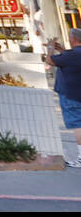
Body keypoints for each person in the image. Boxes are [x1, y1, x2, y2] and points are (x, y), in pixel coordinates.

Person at [46, 28, 81, 169]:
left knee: (78, 126)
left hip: (71, 96)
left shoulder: (72, 55)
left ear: (72, 40)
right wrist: (62, 51)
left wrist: (50, 47)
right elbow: (72, 58)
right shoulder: (72, 54)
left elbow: (49, 61)